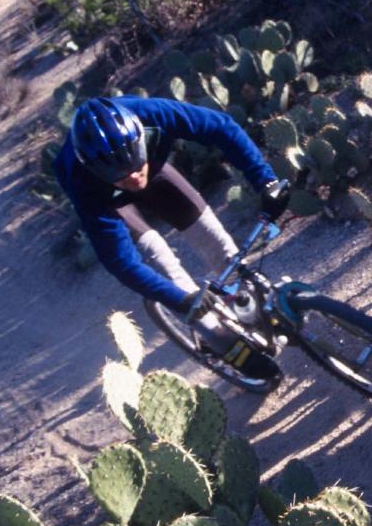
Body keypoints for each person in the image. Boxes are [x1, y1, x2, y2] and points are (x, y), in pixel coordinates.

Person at [55, 95, 289, 361]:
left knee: (218, 244)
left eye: (134, 163)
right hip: (110, 200)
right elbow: (121, 262)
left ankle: (254, 312)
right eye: (119, 174)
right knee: (159, 262)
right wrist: (180, 300)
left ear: (140, 137)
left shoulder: (152, 114)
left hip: (155, 171)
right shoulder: (82, 182)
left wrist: (266, 181)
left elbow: (221, 127)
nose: (132, 176)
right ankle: (224, 343)